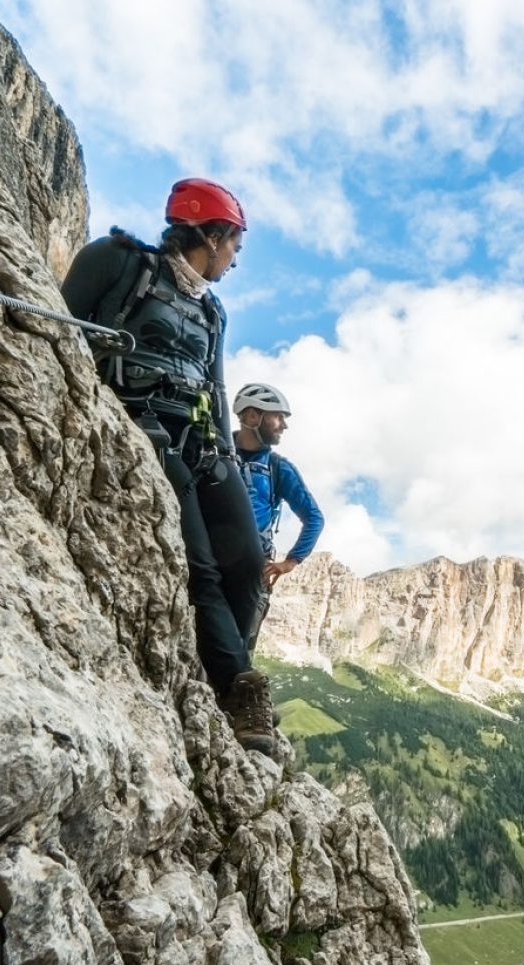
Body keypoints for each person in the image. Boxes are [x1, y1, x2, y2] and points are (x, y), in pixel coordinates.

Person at [59, 178, 273, 753]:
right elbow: (61, 330)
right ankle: (238, 687)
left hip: (200, 437)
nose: (234, 259)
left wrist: (225, 456)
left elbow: (217, 385)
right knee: (198, 560)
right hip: (141, 426)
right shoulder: (119, 262)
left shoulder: (213, 310)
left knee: (248, 563)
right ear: (212, 233)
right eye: (234, 246)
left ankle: (233, 661)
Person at [231, 382, 325, 645]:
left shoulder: (277, 467)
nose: (284, 425)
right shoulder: (214, 451)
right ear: (252, 416)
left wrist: (291, 561)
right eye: (278, 416)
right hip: (209, 563)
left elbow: (314, 517)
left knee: (240, 648)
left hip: (253, 569)